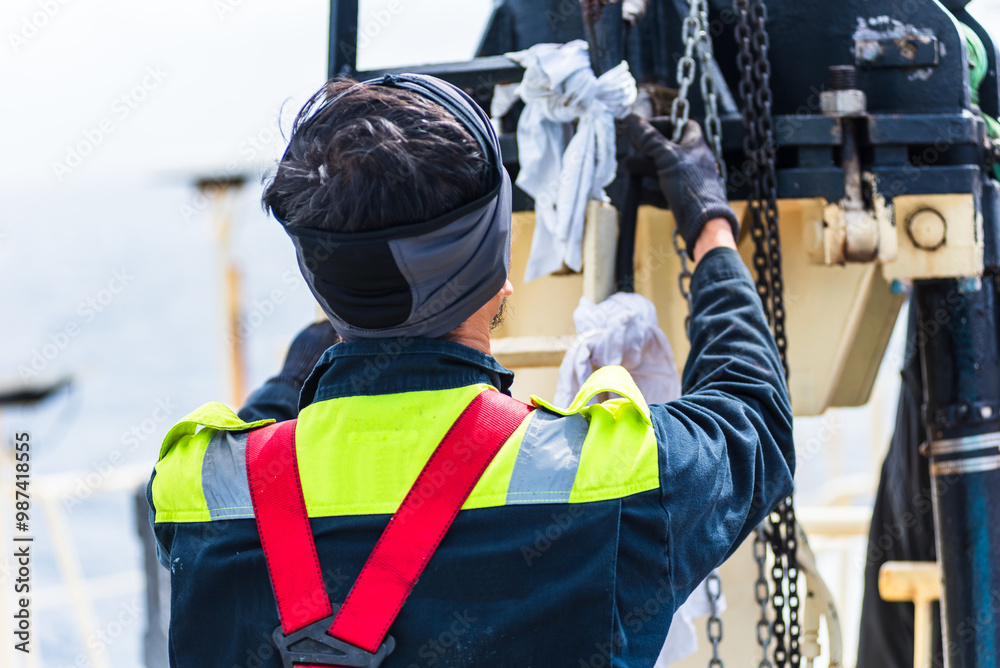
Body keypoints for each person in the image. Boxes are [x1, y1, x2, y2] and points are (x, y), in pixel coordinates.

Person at [147, 73, 794, 668]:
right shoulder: (611, 476)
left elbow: (263, 432)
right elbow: (752, 417)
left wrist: (327, 338)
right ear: (499, 275)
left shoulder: (195, 487)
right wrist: (710, 227)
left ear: (319, 282)